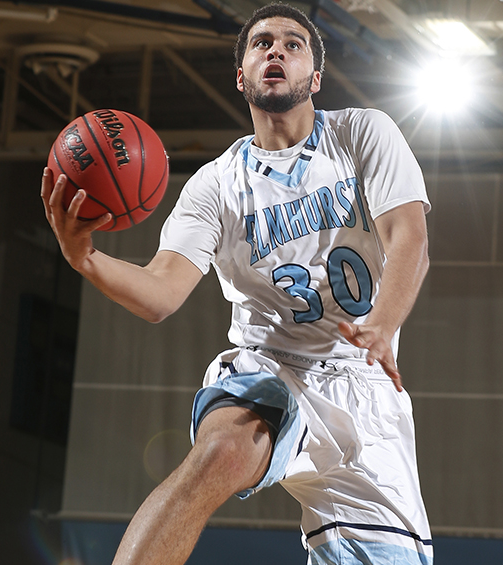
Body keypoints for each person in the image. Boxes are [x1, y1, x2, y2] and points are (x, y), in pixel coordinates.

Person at [40, 3, 432, 564]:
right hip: (273, 367)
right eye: (262, 44)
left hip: (366, 387)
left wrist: (383, 324)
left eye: (293, 45)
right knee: (221, 451)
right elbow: (161, 292)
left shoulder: (363, 133)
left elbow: (409, 239)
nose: (276, 51)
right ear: (241, 75)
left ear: (315, 78)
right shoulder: (215, 186)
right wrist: (86, 259)